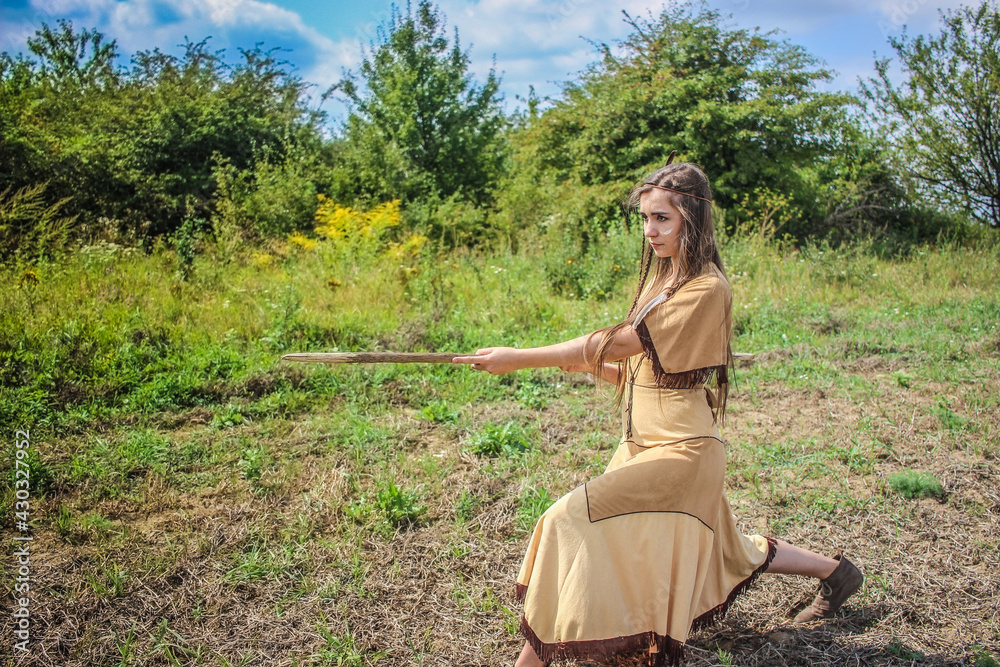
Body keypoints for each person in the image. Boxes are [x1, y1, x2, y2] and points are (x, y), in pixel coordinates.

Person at [453, 156, 863, 667]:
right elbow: (637, 371)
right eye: (645, 218)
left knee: (566, 521)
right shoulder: (663, 281)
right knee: (729, 551)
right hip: (643, 444)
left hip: (683, 451)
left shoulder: (706, 289)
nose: (650, 230)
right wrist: (582, 366)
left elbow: (623, 344)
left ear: (691, 218)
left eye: (662, 218)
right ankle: (836, 573)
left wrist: (523, 358)